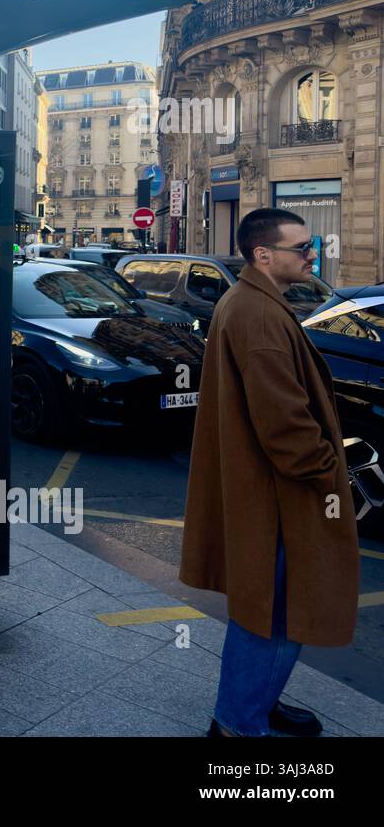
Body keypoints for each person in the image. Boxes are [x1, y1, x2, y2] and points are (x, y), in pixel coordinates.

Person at [180, 208, 357, 738]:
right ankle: (236, 724)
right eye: (301, 248)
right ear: (263, 254)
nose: (312, 255)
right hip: (280, 496)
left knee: (271, 608)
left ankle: (258, 702)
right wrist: (329, 472)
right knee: (273, 614)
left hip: (266, 490)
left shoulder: (253, 301)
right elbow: (284, 426)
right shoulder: (257, 315)